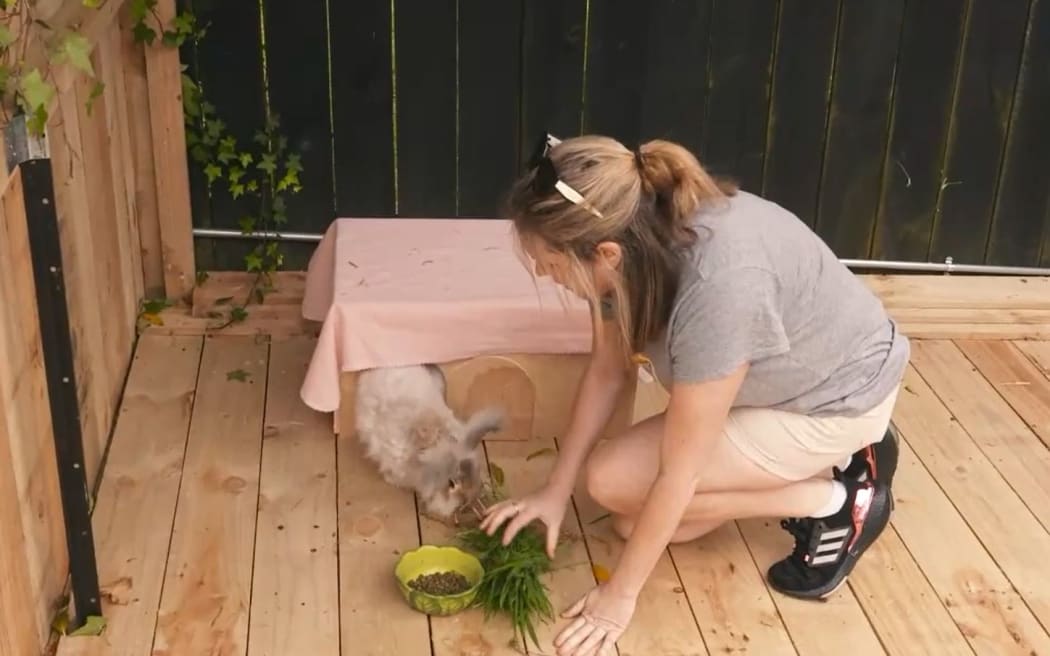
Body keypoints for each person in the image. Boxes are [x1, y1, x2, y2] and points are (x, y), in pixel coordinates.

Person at [480, 133, 910, 656]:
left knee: (615, 484)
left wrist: (620, 596)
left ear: (605, 254)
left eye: (551, 266)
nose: (551, 279)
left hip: (836, 399)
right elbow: (607, 374)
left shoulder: (720, 290)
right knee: (634, 521)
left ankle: (842, 499)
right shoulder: (627, 231)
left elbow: (680, 471)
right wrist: (553, 492)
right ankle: (821, 468)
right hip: (776, 382)